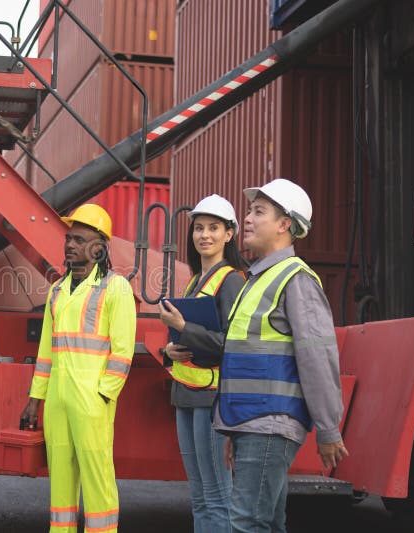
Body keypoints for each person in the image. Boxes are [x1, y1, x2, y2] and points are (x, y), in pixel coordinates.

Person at [212, 179, 348, 533]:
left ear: (285, 224)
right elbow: (243, 358)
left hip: (269, 423)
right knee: (267, 523)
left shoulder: (296, 280)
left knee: (246, 522)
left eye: (259, 211)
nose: (248, 219)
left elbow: (318, 358)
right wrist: (233, 428)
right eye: (249, 211)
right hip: (251, 422)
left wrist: (328, 428)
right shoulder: (257, 280)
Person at [21, 203, 136, 533]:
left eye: (79, 239)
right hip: (57, 399)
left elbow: (123, 351)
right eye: (68, 239)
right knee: (60, 478)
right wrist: (35, 399)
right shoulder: (57, 290)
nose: (69, 245)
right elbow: (46, 351)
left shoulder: (116, 288)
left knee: (97, 476)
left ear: (98, 248)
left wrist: (103, 395)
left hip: (91, 400)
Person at [159, 194, 246, 533]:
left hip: (213, 400)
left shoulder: (233, 280)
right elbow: (189, 336)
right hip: (186, 395)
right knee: (198, 496)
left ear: (229, 234)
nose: (204, 235)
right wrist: (171, 347)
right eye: (198, 228)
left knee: (218, 495)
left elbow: (232, 343)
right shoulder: (196, 280)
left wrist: (184, 328)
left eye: (214, 228)